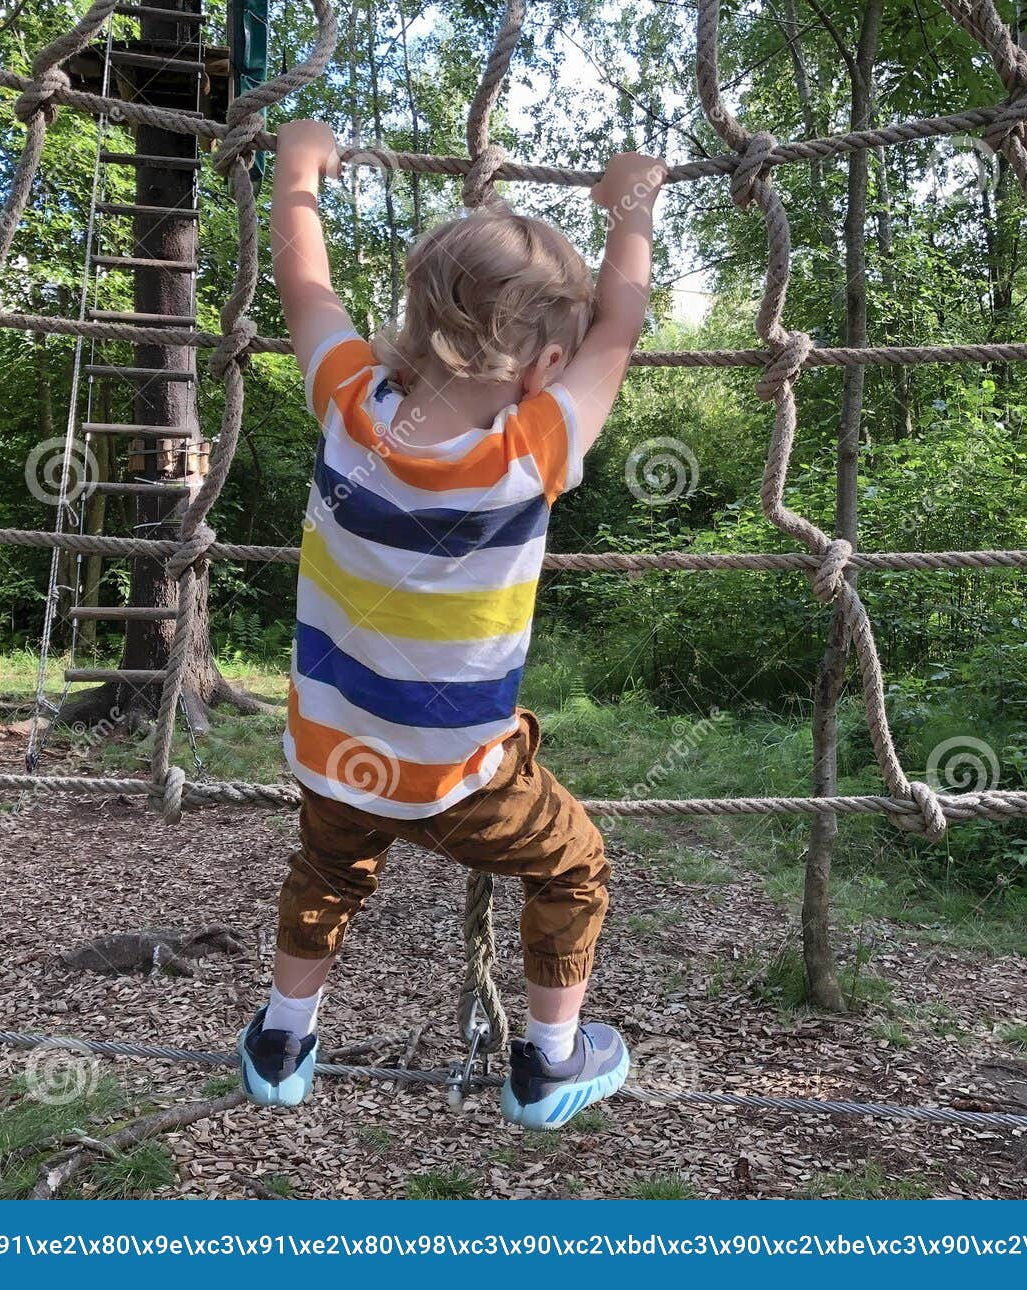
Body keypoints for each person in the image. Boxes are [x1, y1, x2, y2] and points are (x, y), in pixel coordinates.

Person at [241, 117, 666, 1128]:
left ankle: (283, 1043)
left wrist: (297, 170)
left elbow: (304, 288)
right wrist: (631, 208)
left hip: (334, 750)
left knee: (327, 870)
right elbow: (620, 329)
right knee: (572, 864)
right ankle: (551, 1061)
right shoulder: (534, 444)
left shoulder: (347, 401)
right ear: (544, 360)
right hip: (459, 773)